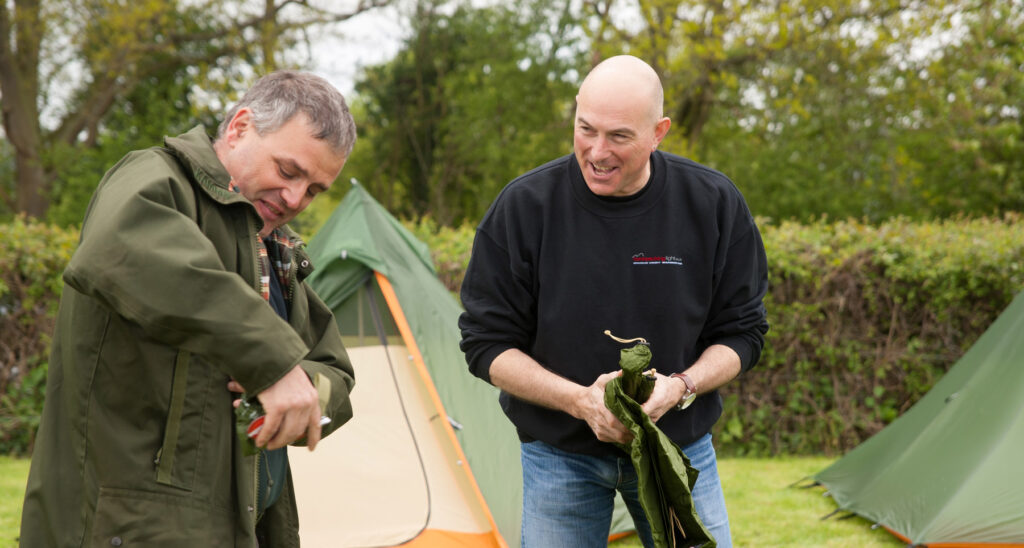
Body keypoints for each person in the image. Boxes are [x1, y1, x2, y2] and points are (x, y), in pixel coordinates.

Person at [20, 71, 357, 547]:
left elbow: (333, 371)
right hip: (130, 530)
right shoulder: (154, 180)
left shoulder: (277, 251)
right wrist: (273, 365)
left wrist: (300, 399)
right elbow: (121, 249)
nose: (296, 199)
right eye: (288, 171)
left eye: (316, 190)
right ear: (240, 127)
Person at [458, 55, 769, 547]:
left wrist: (682, 386)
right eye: (586, 129)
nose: (597, 151)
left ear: (659, 132)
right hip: (558, 456)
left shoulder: (712, 203)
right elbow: (485, 346)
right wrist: (580, 402)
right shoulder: (523, 208)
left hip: (677, 450)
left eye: (619, 136)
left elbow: (743, 333)